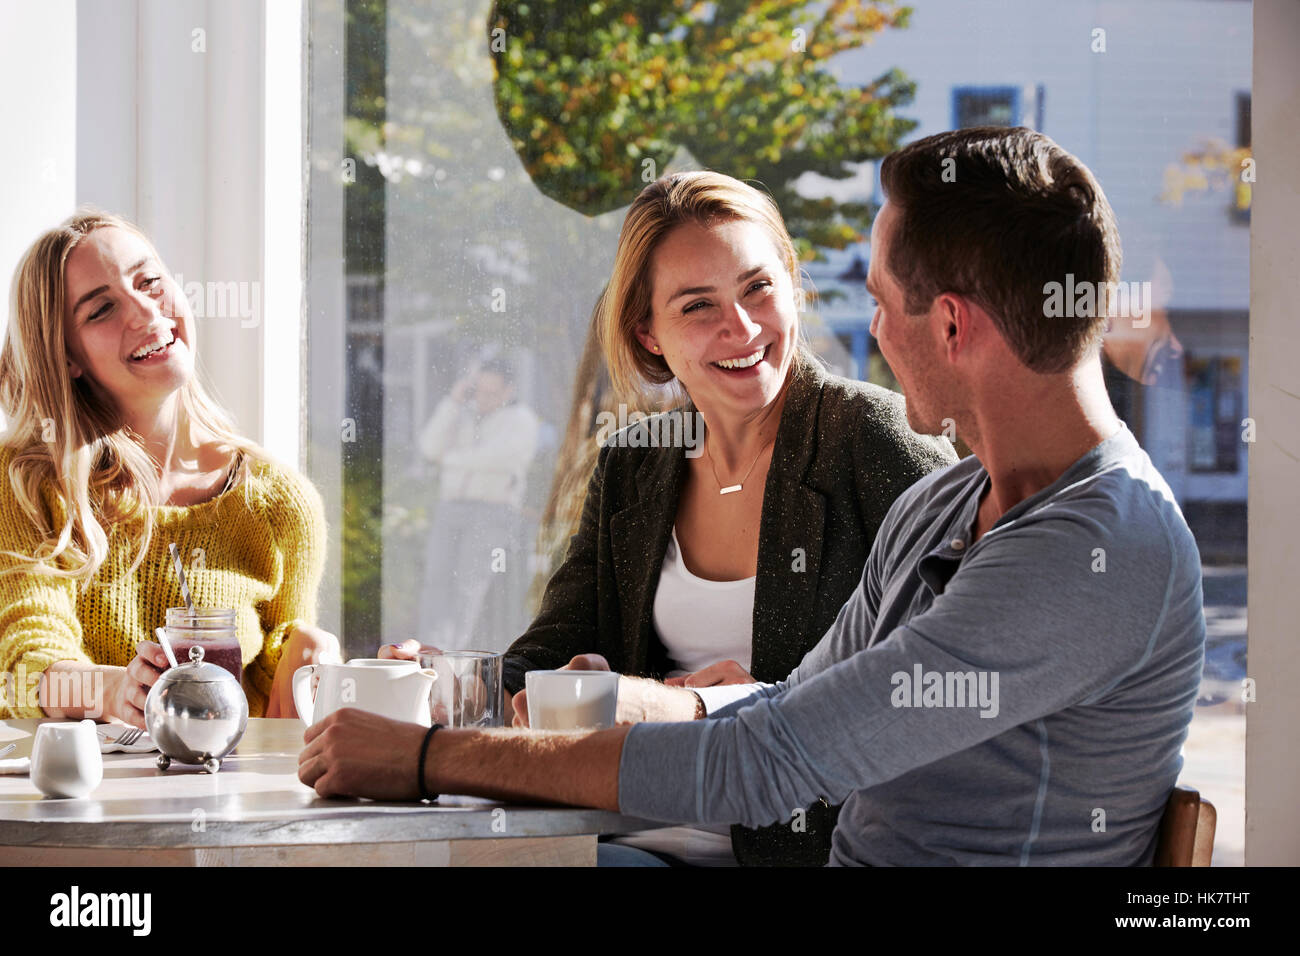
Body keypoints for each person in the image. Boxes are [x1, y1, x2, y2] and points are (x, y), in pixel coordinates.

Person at [301, 127, 1207, 866]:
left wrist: (424, 758)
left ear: (956, 325)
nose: (874, 328)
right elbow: (779, 710)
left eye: (882, 299)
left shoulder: (1095, 550)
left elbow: (768, 763)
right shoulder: (945, 507)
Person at [387, 168, 958, 867]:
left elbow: (932, 689)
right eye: (697, 306)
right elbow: (554, 649)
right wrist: (445, 683)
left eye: (758, 287)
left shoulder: (874, 436)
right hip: (621, 825)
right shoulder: (636, 461)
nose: (742, 327)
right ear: (648, 333)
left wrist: (671, 706)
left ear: (792, 286)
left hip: (789, 849)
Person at [0, 211, 337, 726]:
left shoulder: (279, 503)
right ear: (68, 356)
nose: (144, 313)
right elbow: (25, 657)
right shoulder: (26, 482)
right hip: (75, 800)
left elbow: (275, 720)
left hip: (219, 795)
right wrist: (115, 691)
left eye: (150, 281)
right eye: (101, 310)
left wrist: (309, 659)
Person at [417, 357, 540, 651]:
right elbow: (428, 447)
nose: (483, 399)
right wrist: (453, 402)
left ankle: (455, 657)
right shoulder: (462, 412)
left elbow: (499, 458)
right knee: (436, 582)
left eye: (491, 393)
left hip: (491, 512)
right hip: (450, 507)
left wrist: (450, 460)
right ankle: (430, 652)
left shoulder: (521, 420)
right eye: (479, 391)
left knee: (467, 588)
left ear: (508, 390)